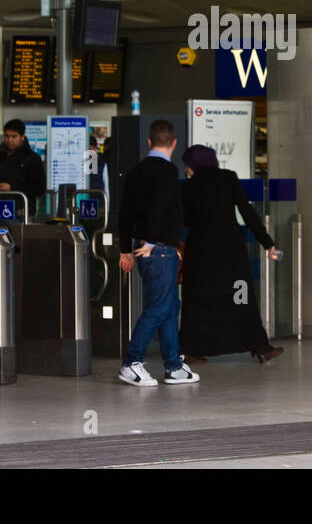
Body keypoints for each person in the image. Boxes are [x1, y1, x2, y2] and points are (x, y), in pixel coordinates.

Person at [179, 144, 283, 364]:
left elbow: (184, 220)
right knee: (241, 296)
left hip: (201, 253)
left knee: (198, 299)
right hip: (230, 250)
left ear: (194, 165)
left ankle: (192, 350)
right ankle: (260, 346)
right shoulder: (228, 178)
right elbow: (247, 211)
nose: (187, 170)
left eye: (188, 166)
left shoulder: (189, 187)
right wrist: (267, 242)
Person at [117, 119, 199, 387]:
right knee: (160, 307)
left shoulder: (135, 172)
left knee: (169, 307)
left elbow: (125, 213)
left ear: (149, 142)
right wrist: (153, 241)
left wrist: (124, 250)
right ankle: (131, 362)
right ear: (174, 143)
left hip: (149, 247)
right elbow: (159, 207)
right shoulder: (167, 171)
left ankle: (174, 365)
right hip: (159, 248)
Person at [0, 119, 46, 217]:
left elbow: (40, 187)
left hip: (21, 210)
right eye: (7, 136)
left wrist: (12, 188)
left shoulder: (32, 158)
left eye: (14, 136)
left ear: (22, 137)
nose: (10, 140)